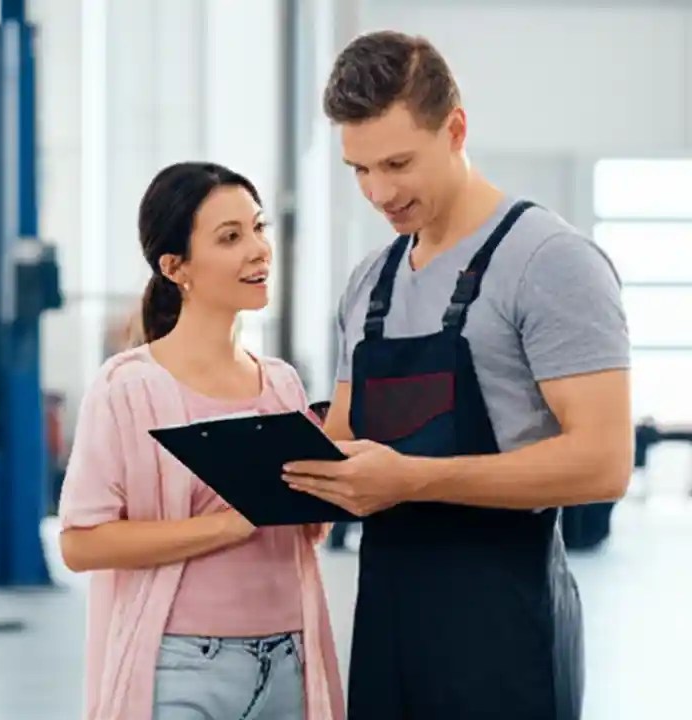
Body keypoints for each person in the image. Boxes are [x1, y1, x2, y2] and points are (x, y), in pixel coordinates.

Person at [283, 31, 633, 720]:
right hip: (387, 623)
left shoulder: (549, 261)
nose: (379, 192)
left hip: (504, 629)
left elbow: (603, 463)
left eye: (397, 163)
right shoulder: (370, 282)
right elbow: (344, 437)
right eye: (359, 169)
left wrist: (412, 479)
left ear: (456, 130)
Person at [58, 161, 344, 720]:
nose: (258, 250)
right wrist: (227, 525)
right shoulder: (128, 386)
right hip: (184, 666)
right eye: (230, 238)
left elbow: (303, 534)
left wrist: (328, 491)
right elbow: (81, 543)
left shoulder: (281, 383)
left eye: (258, 228)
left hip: (290, 658)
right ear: (175, 267)